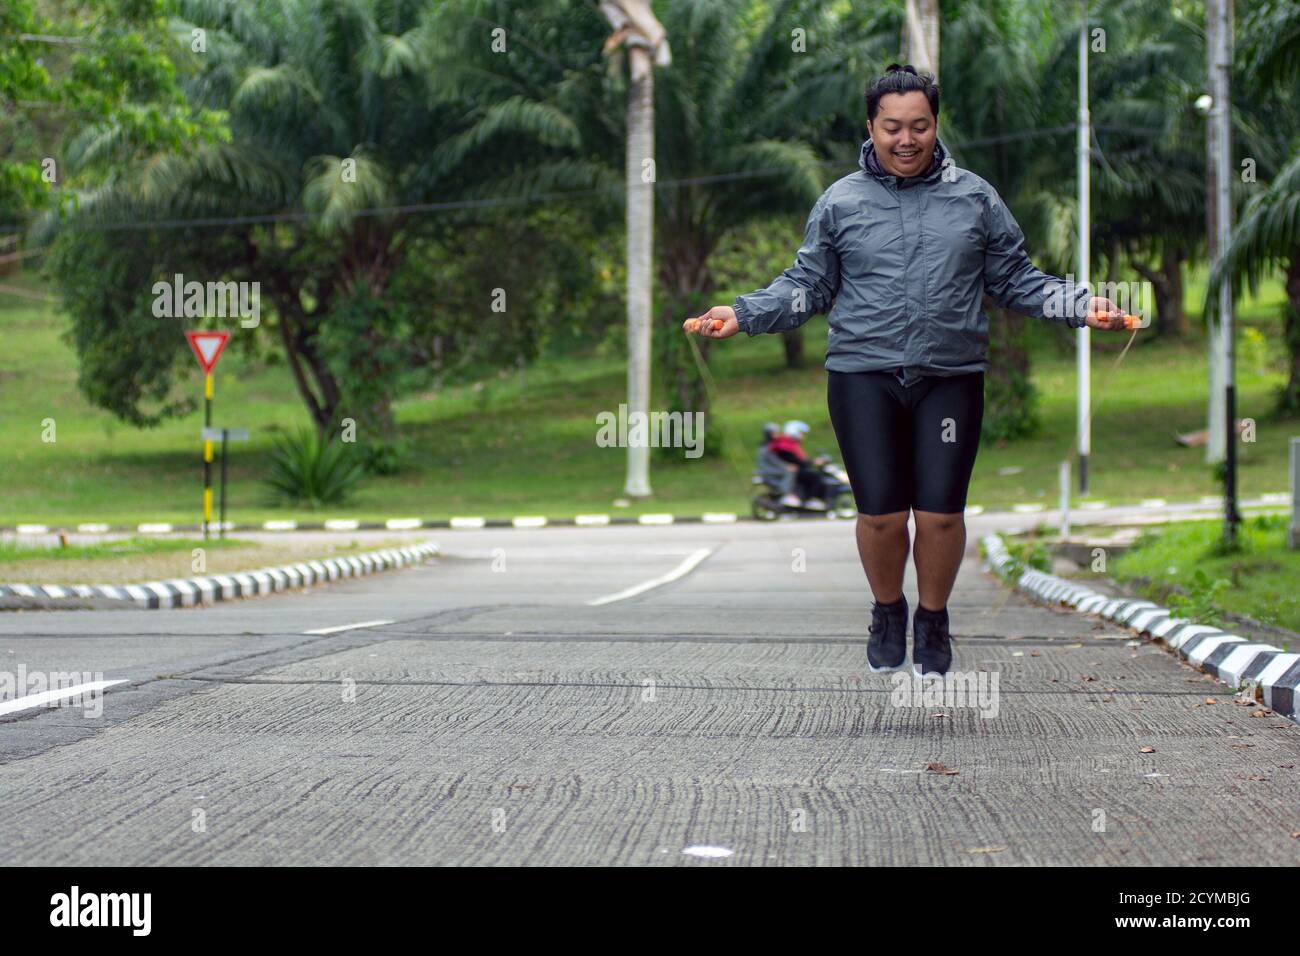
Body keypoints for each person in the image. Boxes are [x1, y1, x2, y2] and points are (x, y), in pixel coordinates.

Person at [684, 64, 1130, 678]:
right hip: (863, 377)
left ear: (935, 124)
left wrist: (1084, 307)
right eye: (892, 127)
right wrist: (743, 313)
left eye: (919, 126)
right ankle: (889, 608)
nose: (906, 139)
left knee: (942, 512)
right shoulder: (840, 202)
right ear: (872, 127)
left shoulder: (975, 197)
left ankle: (935, 618)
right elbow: (809, 285)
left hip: (949, 377)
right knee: (882, 514)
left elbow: (1015, 279)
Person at [768, 420, 829, 509]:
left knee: (811, 474)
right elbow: (796, 461)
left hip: (793, 470)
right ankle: (812, 500)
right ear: (794, 432)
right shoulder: (785, 445)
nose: (803, 436)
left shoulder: (789, 443)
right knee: (815, 477)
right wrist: (813, 462)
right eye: (801, 433)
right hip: (790, 472)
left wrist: (810, 462)